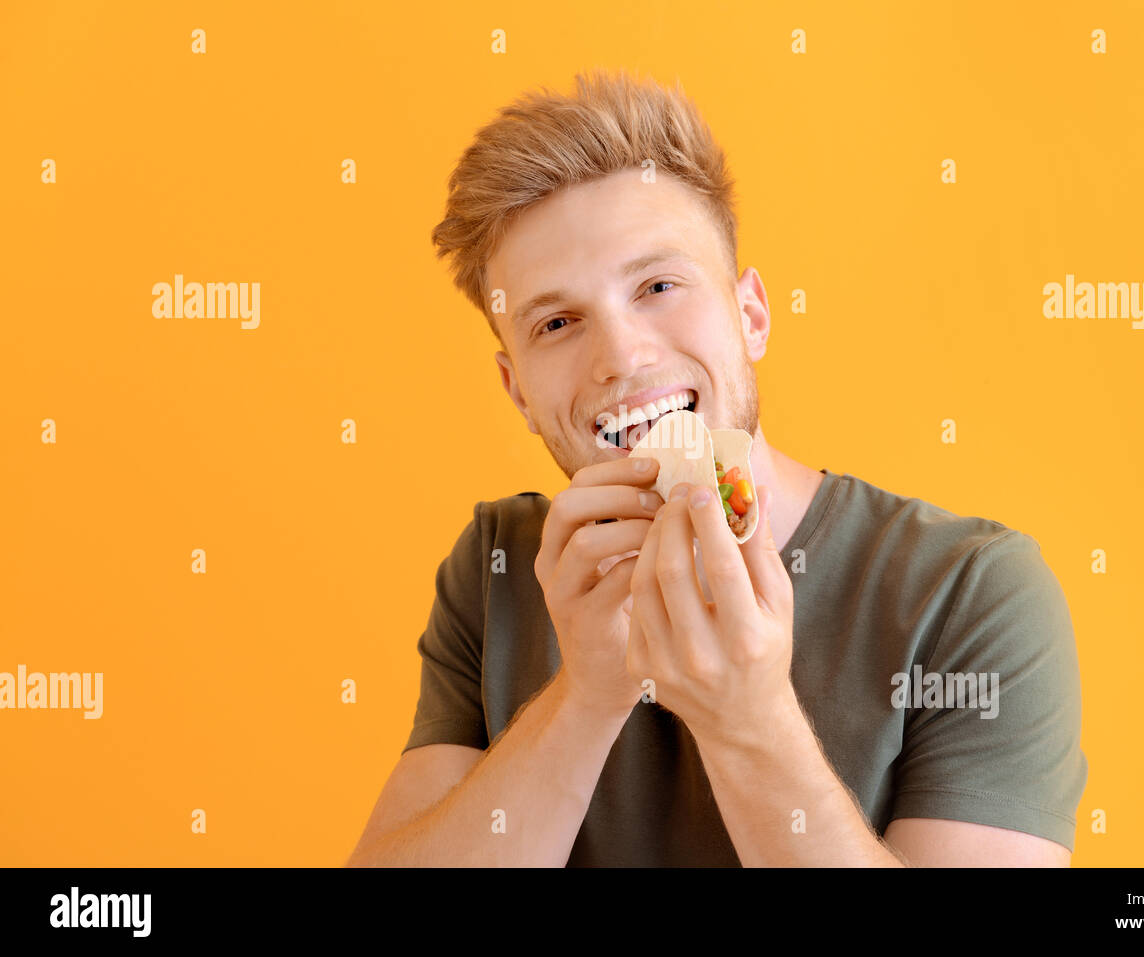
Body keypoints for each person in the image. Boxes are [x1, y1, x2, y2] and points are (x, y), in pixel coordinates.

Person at [347, 68, 1086, 867]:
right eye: (558, 322)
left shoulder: (970, 592)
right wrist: (587, 694)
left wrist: (749, 719)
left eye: (659, 285)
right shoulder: (495, 570)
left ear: (752, 315)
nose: (621, 355)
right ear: (517, 390)